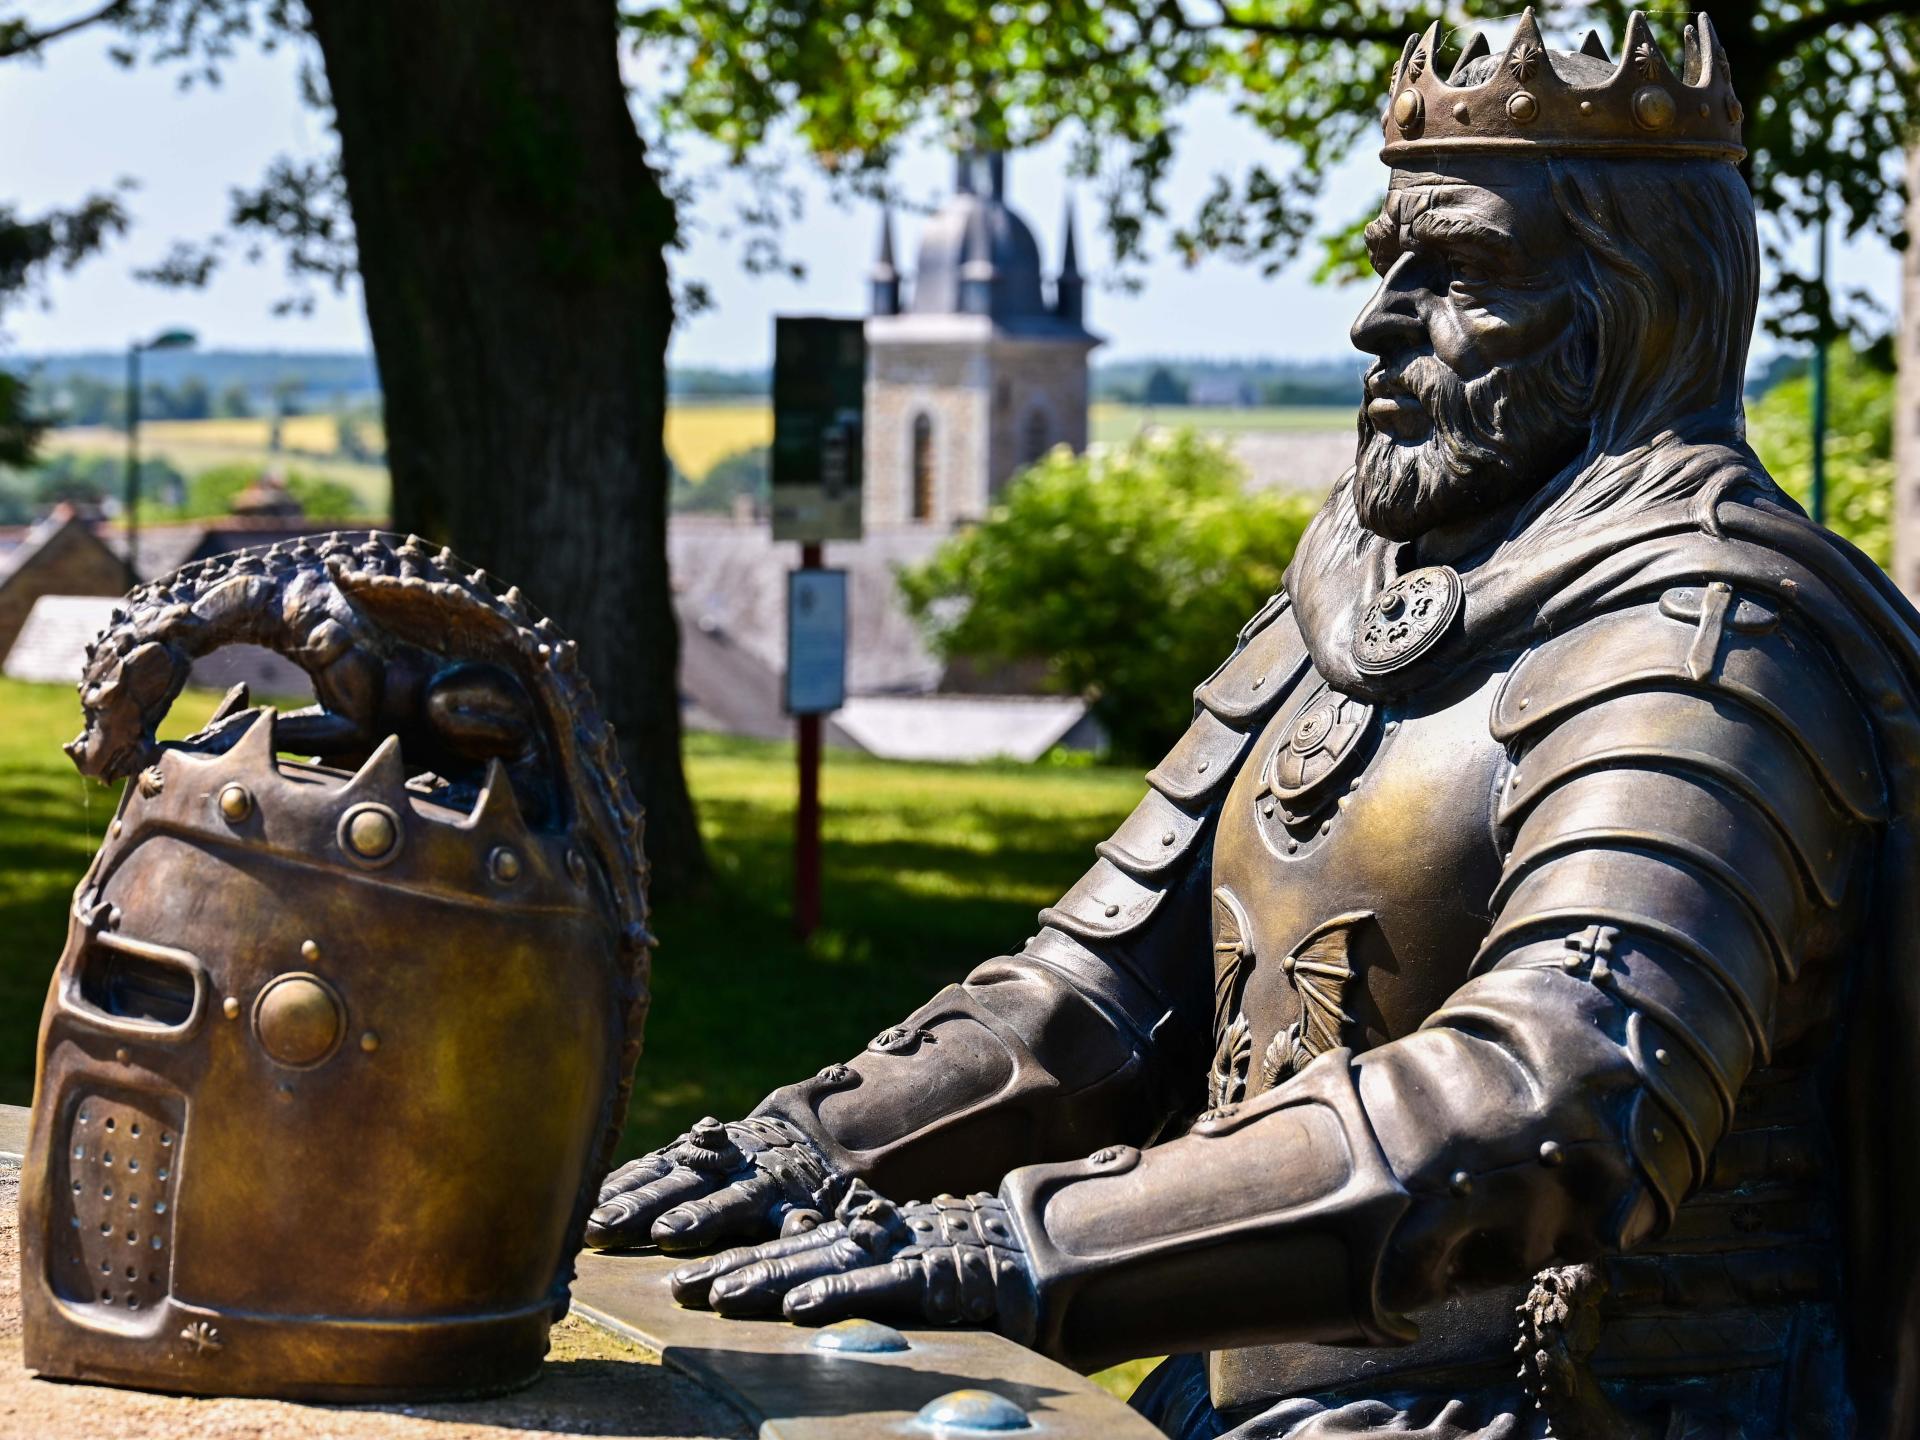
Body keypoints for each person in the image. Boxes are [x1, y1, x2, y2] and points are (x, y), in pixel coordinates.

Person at [587, 13, 1920, 1436]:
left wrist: (1023, 1250)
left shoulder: (1714, 638)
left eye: (1458, 270)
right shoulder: (1356, 582)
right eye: (1389, 261)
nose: (1379, 318)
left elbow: (1561, 1089)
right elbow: (1089, 1002)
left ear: (1631, 301)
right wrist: (799, 1151)